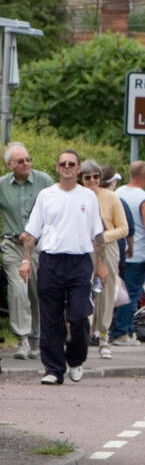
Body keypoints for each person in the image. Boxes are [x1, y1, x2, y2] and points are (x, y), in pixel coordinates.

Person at [18, 149, 104, 384]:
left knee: (78, 316)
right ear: (57, 168)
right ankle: (54, 369)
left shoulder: (88, 197)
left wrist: (102, 265)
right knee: (50, 317)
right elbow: (32, 232)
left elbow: (98, 234)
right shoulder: (46, 196)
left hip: (79, 262)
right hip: (51, 260)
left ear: (78, 169)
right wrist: (26, 260)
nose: (67, 167)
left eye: (71, 164)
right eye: (63, 164)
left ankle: (76, 358)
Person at [1, 142, 52, 360]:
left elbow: (53, 212)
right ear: (10, 165)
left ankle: (37, 339)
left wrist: (37, 232)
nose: (26, 164)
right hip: (12, 245)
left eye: (28, 159)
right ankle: (21, 339)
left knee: (37, 292)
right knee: (18, 290)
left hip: (38, 246)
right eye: (21, 161)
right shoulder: (2, 185)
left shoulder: (44, 181)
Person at [79, 160, 129, 358]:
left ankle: (103, 337)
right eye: (87, 177)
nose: (92, 181)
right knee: (81, 289)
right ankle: (82, 334)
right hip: (82, 247)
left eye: (96, 177)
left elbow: (123, 228)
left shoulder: (111, 197)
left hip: (107, 247)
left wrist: (102, 237)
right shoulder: (77, 196)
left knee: (106, 291)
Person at [111, 160, 145, 345]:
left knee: (117, 292)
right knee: (131, 294)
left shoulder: (118, 193)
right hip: (139, 253)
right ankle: (122, 333)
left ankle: (117, 330)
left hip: (118, 251)